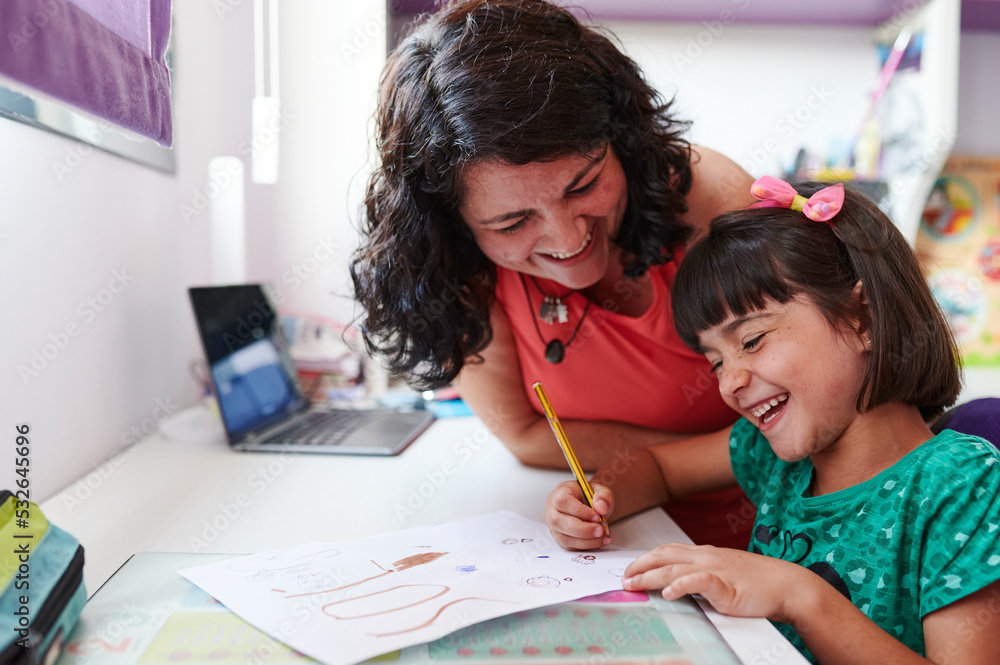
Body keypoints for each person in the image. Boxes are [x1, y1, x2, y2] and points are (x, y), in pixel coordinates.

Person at [350, 0, 755, 549]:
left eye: (584, 185)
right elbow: (523, 432)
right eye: (513, 221)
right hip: (636, 535)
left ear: (620, 140)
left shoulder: (710, 202)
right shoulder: (460, 274)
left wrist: (654, 469)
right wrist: (647, 476)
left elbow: (821, 406)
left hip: (785, 535)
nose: (568, 241)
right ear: (453, 226)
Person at [545, 177, 1000, 664]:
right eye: (715, 362)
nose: (729, 383)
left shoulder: (962, 486)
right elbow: (658, 469)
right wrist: (597, 498)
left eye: (753, 340)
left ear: (862, 318)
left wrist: (801, 597)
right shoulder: (774, 454)